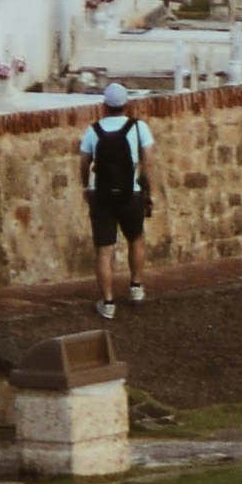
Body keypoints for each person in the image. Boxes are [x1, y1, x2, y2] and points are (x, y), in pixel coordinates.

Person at [79, 87, 155, 317]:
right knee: (136, 238)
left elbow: (83, 163)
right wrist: (148, 191)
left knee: (104, 250)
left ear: (104, 105)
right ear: (126, 104)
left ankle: (108, 302)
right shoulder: (139, 127)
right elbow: (148, 162)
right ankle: (136, 286)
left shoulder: (93, 131)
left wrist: (86, 187)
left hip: (101, 196)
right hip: (130, 193)